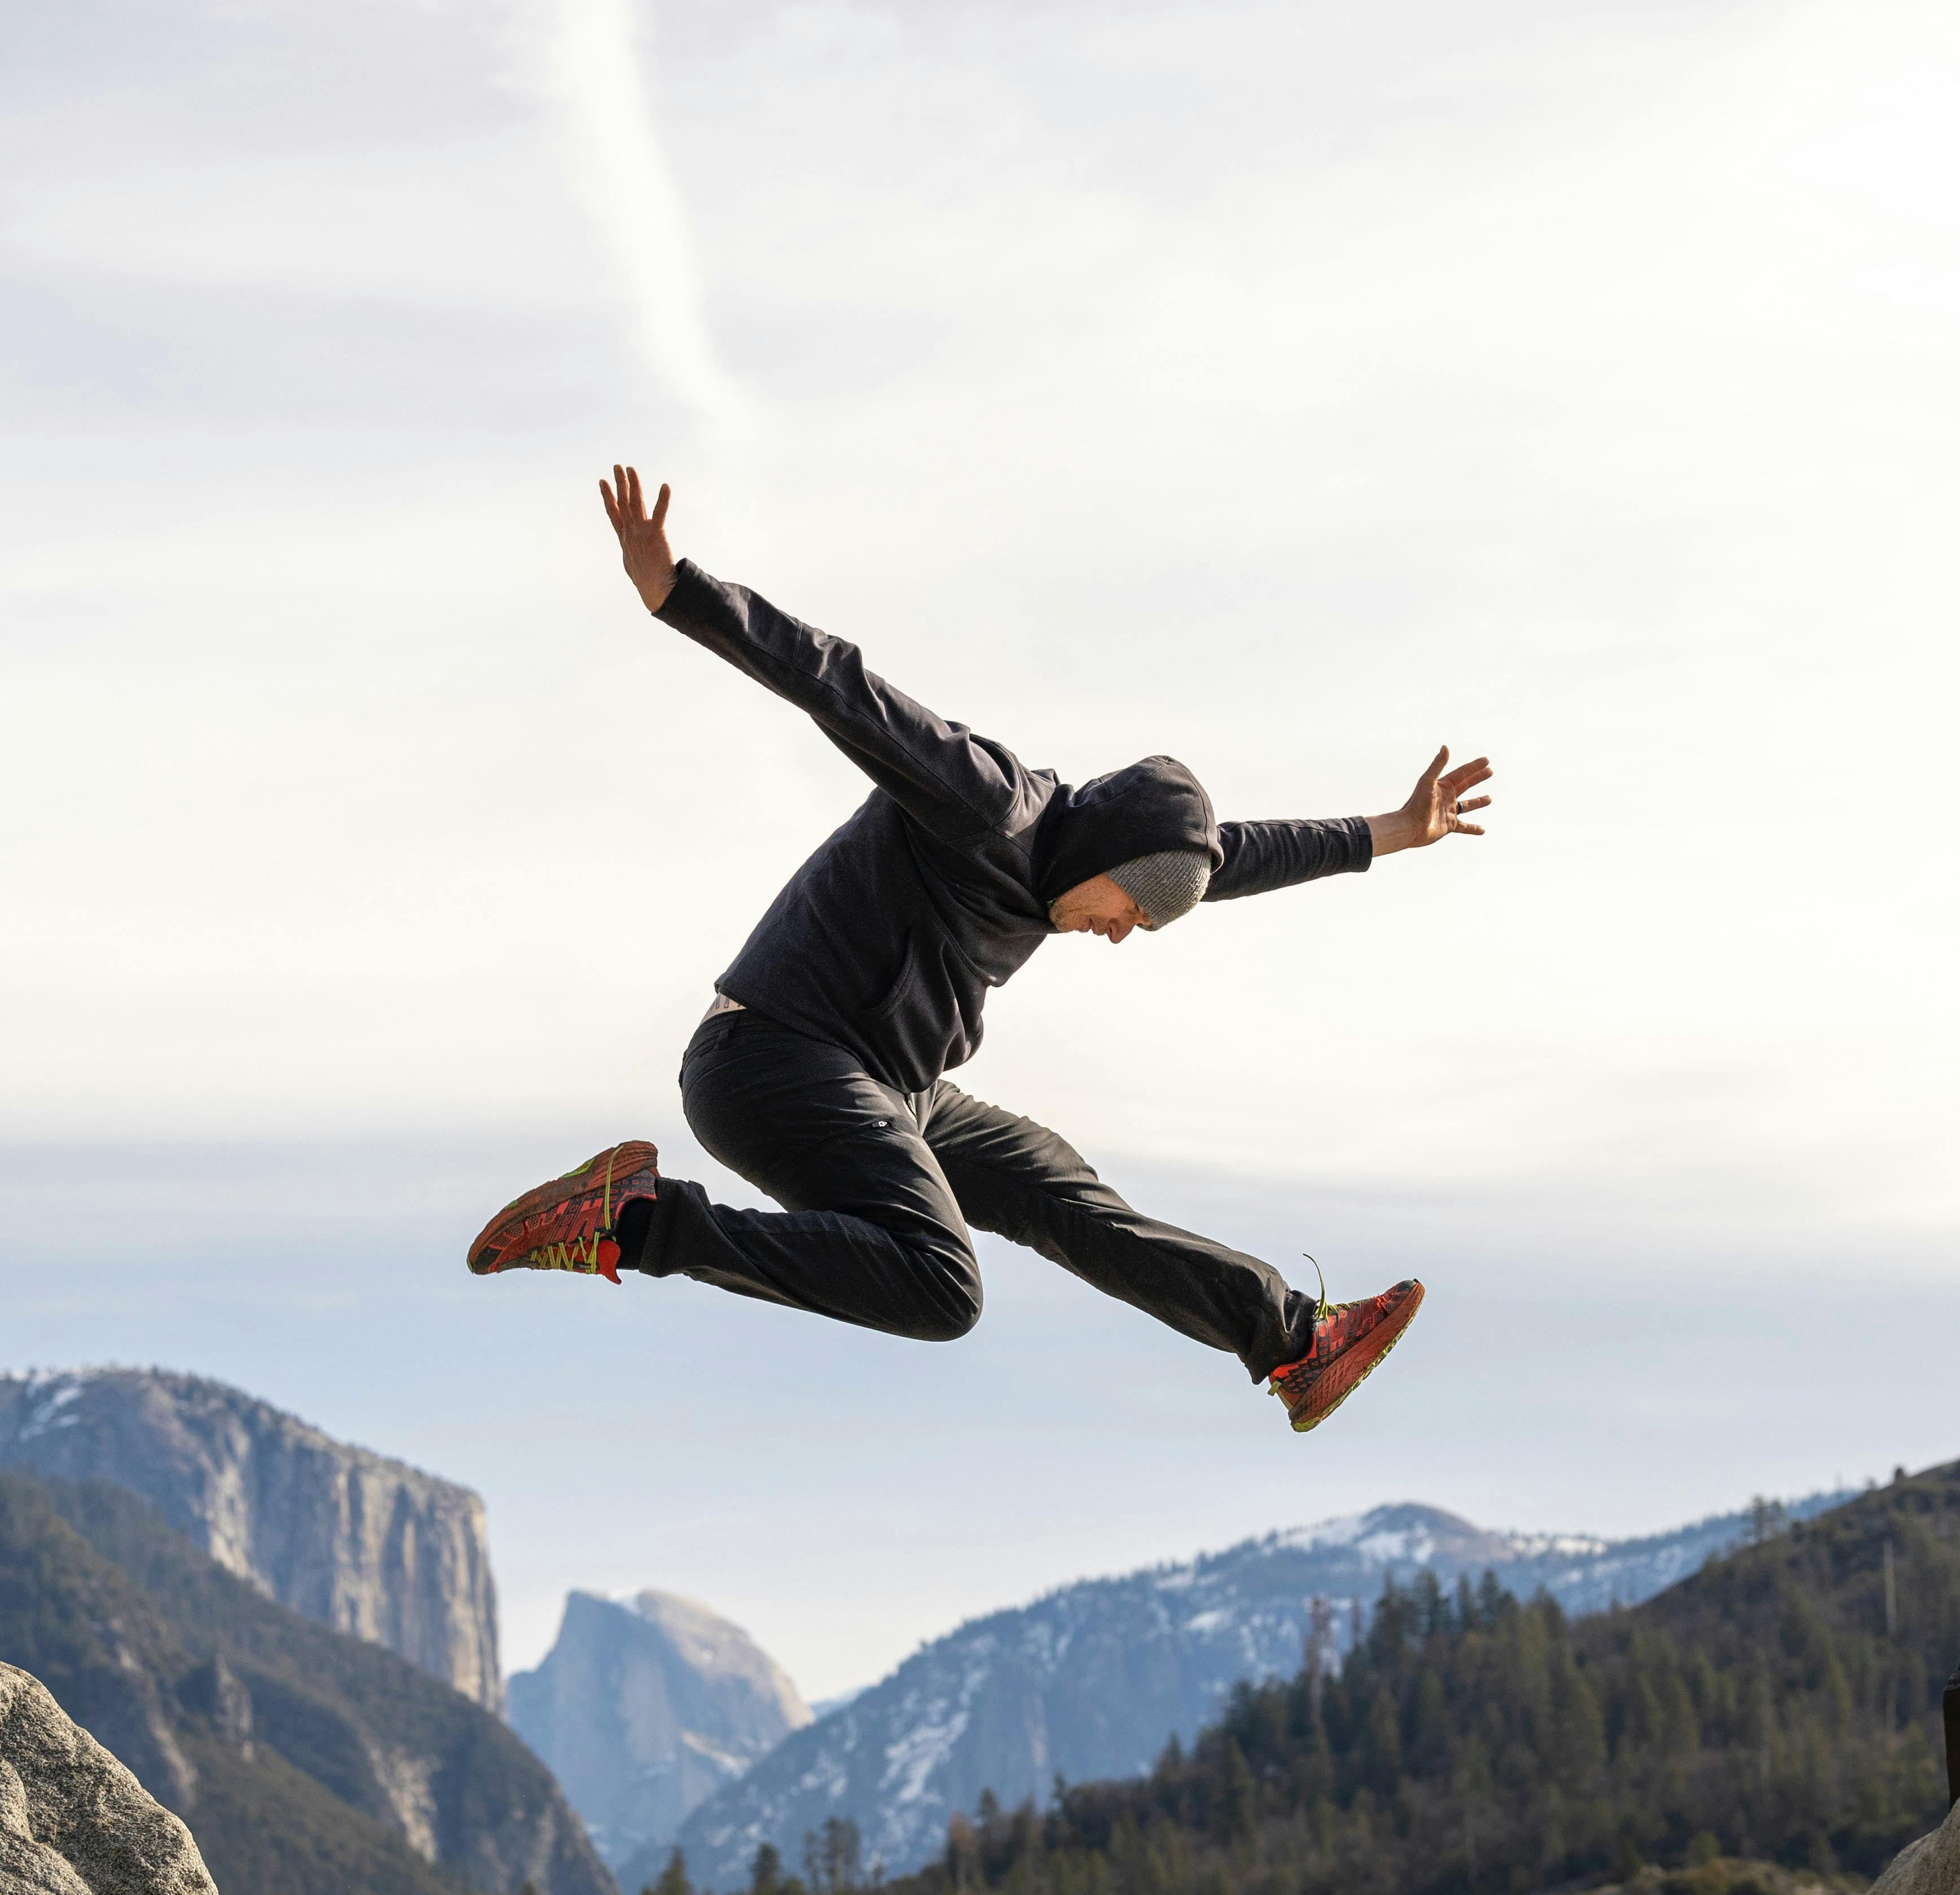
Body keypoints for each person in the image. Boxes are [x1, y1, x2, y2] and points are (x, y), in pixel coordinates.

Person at [468, 468, 1493, 1436]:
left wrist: (1393, 831)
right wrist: (677, 592)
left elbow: (1237, 856)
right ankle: (637, 1221)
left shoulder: (1118, 861)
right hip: (772, 1060)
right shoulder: (987, 804)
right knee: (941, 1287)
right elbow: (842, 687)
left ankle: (1291, 1345)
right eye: (1130, 910)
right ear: (1109, 856)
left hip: (889, 1084)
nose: (1121, 932)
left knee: (1057, 1190)